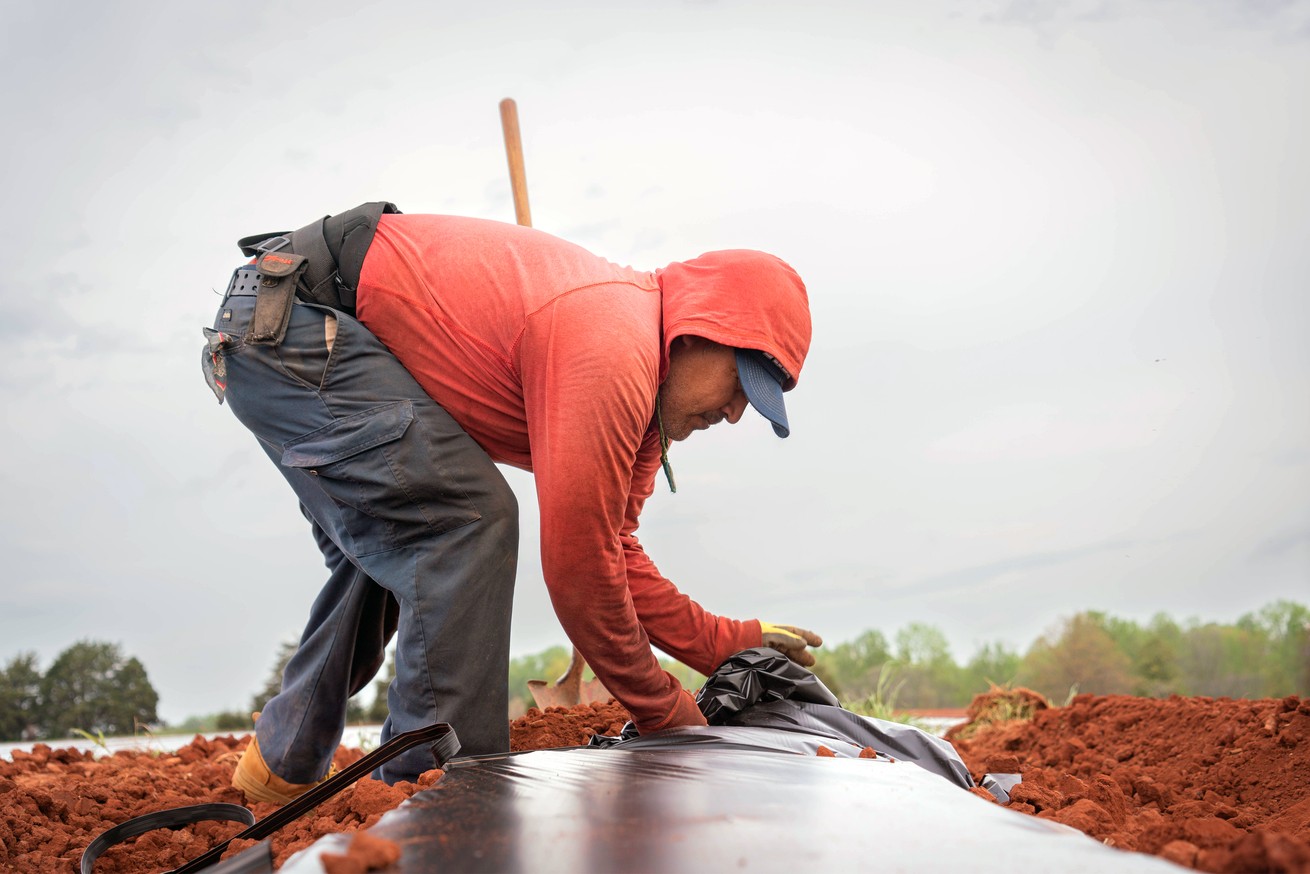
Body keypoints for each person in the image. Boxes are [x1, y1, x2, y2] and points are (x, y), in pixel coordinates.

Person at [203, 204, 822, 802]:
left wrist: (725, 642)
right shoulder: (613, 345)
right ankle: (443, 794)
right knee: (465, 521)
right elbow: (581, 573)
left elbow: (612, 550)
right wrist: (671, 716)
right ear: (701, 330)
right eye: (741, 382)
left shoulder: (642, 406)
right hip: (296, 322)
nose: (736, 413)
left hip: (293, 322)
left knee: (408, 528)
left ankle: (281, 760)